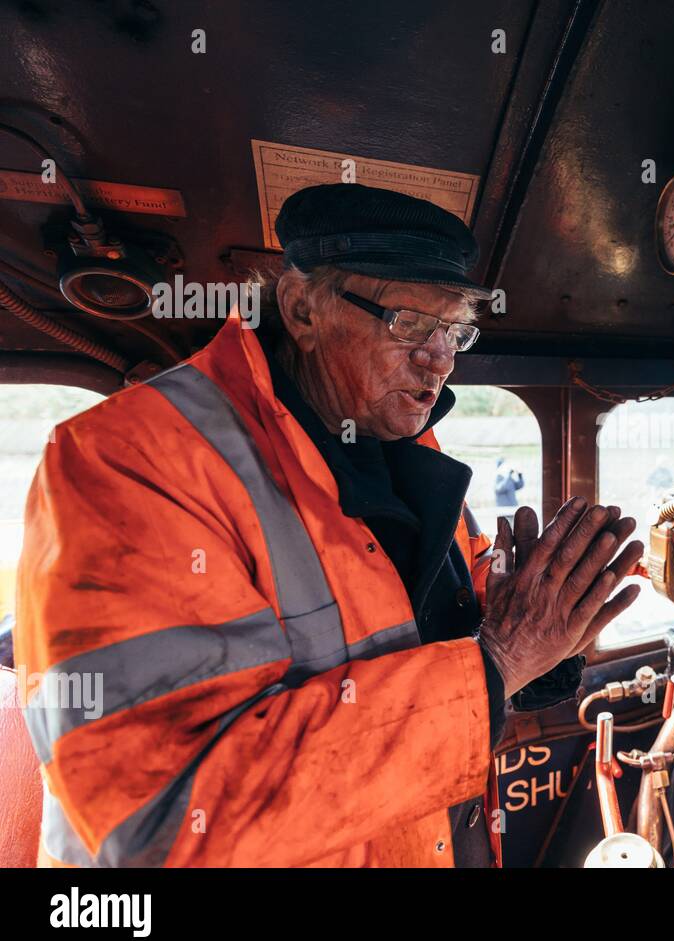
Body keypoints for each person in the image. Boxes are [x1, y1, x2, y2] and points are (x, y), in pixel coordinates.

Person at [15, 183, 642, 867]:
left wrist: (546, 633)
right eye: (406, 322)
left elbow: (443, 642)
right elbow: (162, 822)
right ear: (302, 309)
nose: (438, 357)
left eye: (455, 331)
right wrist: (498, 662)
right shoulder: (128, 463)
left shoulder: (404, 451)